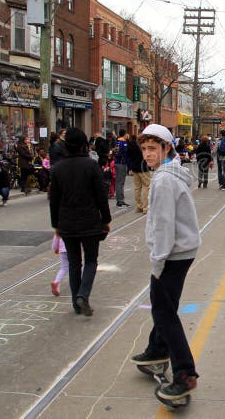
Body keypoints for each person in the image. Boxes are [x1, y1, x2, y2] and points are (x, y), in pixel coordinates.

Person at [130, 124, 200, 402]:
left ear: (167, 148)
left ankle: (185, 373)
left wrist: (157, 264)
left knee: (163, 311)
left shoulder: (162, 180)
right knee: (164, 306)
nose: (147, 154)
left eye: (152, 149)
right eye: (144, 149)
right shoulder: (170, 173)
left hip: (172, 254)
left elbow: (163, 227)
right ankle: (157, 348)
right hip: (184, 249)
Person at [49, 127, 111, 316]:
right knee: (91, 261)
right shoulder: (91, 166)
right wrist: (106, 219)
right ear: (84, 145)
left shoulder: (57, 168)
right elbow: (101, 195)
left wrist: (56, 225)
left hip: (67, 223)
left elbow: (54, 200)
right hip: (89, 221)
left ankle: (76, 303)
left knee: (75, 264)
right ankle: (83, 295)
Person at [128, 132, 151, 214]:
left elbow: (128, 156)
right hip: (143, 167)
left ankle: (138, 206)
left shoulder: (131, 144)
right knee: (146, 186)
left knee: (137, 187)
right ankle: (145, 207)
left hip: (135, 167)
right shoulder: (144, 144)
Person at [113, 129, 130, 207]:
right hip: (121, 163)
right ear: (125, 134)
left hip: (117, 162)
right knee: (120, 182)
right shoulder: (123, 143)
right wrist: (129, 165)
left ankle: (120, 199)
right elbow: (125, 154)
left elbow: (115, 152)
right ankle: (120, 200)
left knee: (118, 181)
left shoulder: (117, 142)